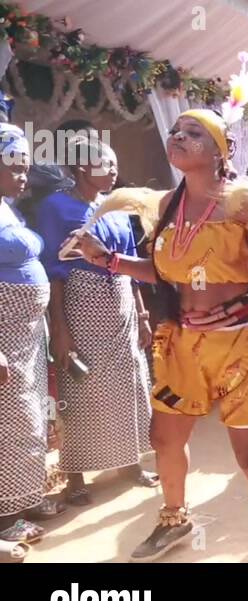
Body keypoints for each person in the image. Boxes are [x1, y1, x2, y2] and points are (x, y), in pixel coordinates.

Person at [70, 109, 248, 562]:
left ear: (221, 151)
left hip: (245, 343)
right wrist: (106, 259)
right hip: (184, 345)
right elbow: (161, 273)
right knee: (165, 440)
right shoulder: (167, 206)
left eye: (194, 133)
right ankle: (175, 519)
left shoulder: (243, 203)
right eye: (175, 131)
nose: (179, 136)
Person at [36, 134, 158, 506]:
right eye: (105, 164)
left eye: (114, 164)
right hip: (79, 303)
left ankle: (129, 463)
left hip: (120, 302)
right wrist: (60, 328)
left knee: (129, 384)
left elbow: (130, 263)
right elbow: (54, 272)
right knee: (82, 389)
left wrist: (141, 313)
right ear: (78, 169)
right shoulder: (55, 207)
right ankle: (75, 476)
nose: (113, 171)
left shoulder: (117, 207)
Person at [0, 124, 64, 545]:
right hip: (5, 339)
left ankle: (25, 494)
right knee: (11, 420)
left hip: (26, 336)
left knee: (31, 416)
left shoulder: (8, 208)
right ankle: (5, 517)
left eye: (26, 167)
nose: (24, 176)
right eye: (15, 166)